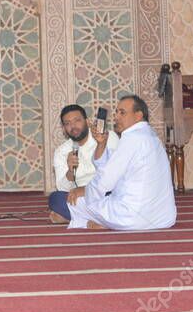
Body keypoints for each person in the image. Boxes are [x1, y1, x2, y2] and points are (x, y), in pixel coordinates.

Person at [63, 95, 176, 230]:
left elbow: (106, 181)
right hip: (164, 218)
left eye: (122, 113)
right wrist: (101, 143)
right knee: (86, 198)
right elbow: (108, 164)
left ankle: (92, 223)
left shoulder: (132, 138)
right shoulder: (151, 136)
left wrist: (84, 191)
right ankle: (94, 222)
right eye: (116, 112)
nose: (116, 117)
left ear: (138, 115)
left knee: (71, 202)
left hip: (131, 218)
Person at [48, 104, 119, 224]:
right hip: (82, 198)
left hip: (106, 192)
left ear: (87, 121)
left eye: (77, 121)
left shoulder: (107, 137)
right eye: (67, 123)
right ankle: (103, 219)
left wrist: (88, 190)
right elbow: (63, 188)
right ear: (64, 129)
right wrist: (70, 172)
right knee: (55, 199)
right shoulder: (61, 152)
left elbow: (116, 175)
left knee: (119, 194)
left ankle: (78, 218)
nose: (73, 126)